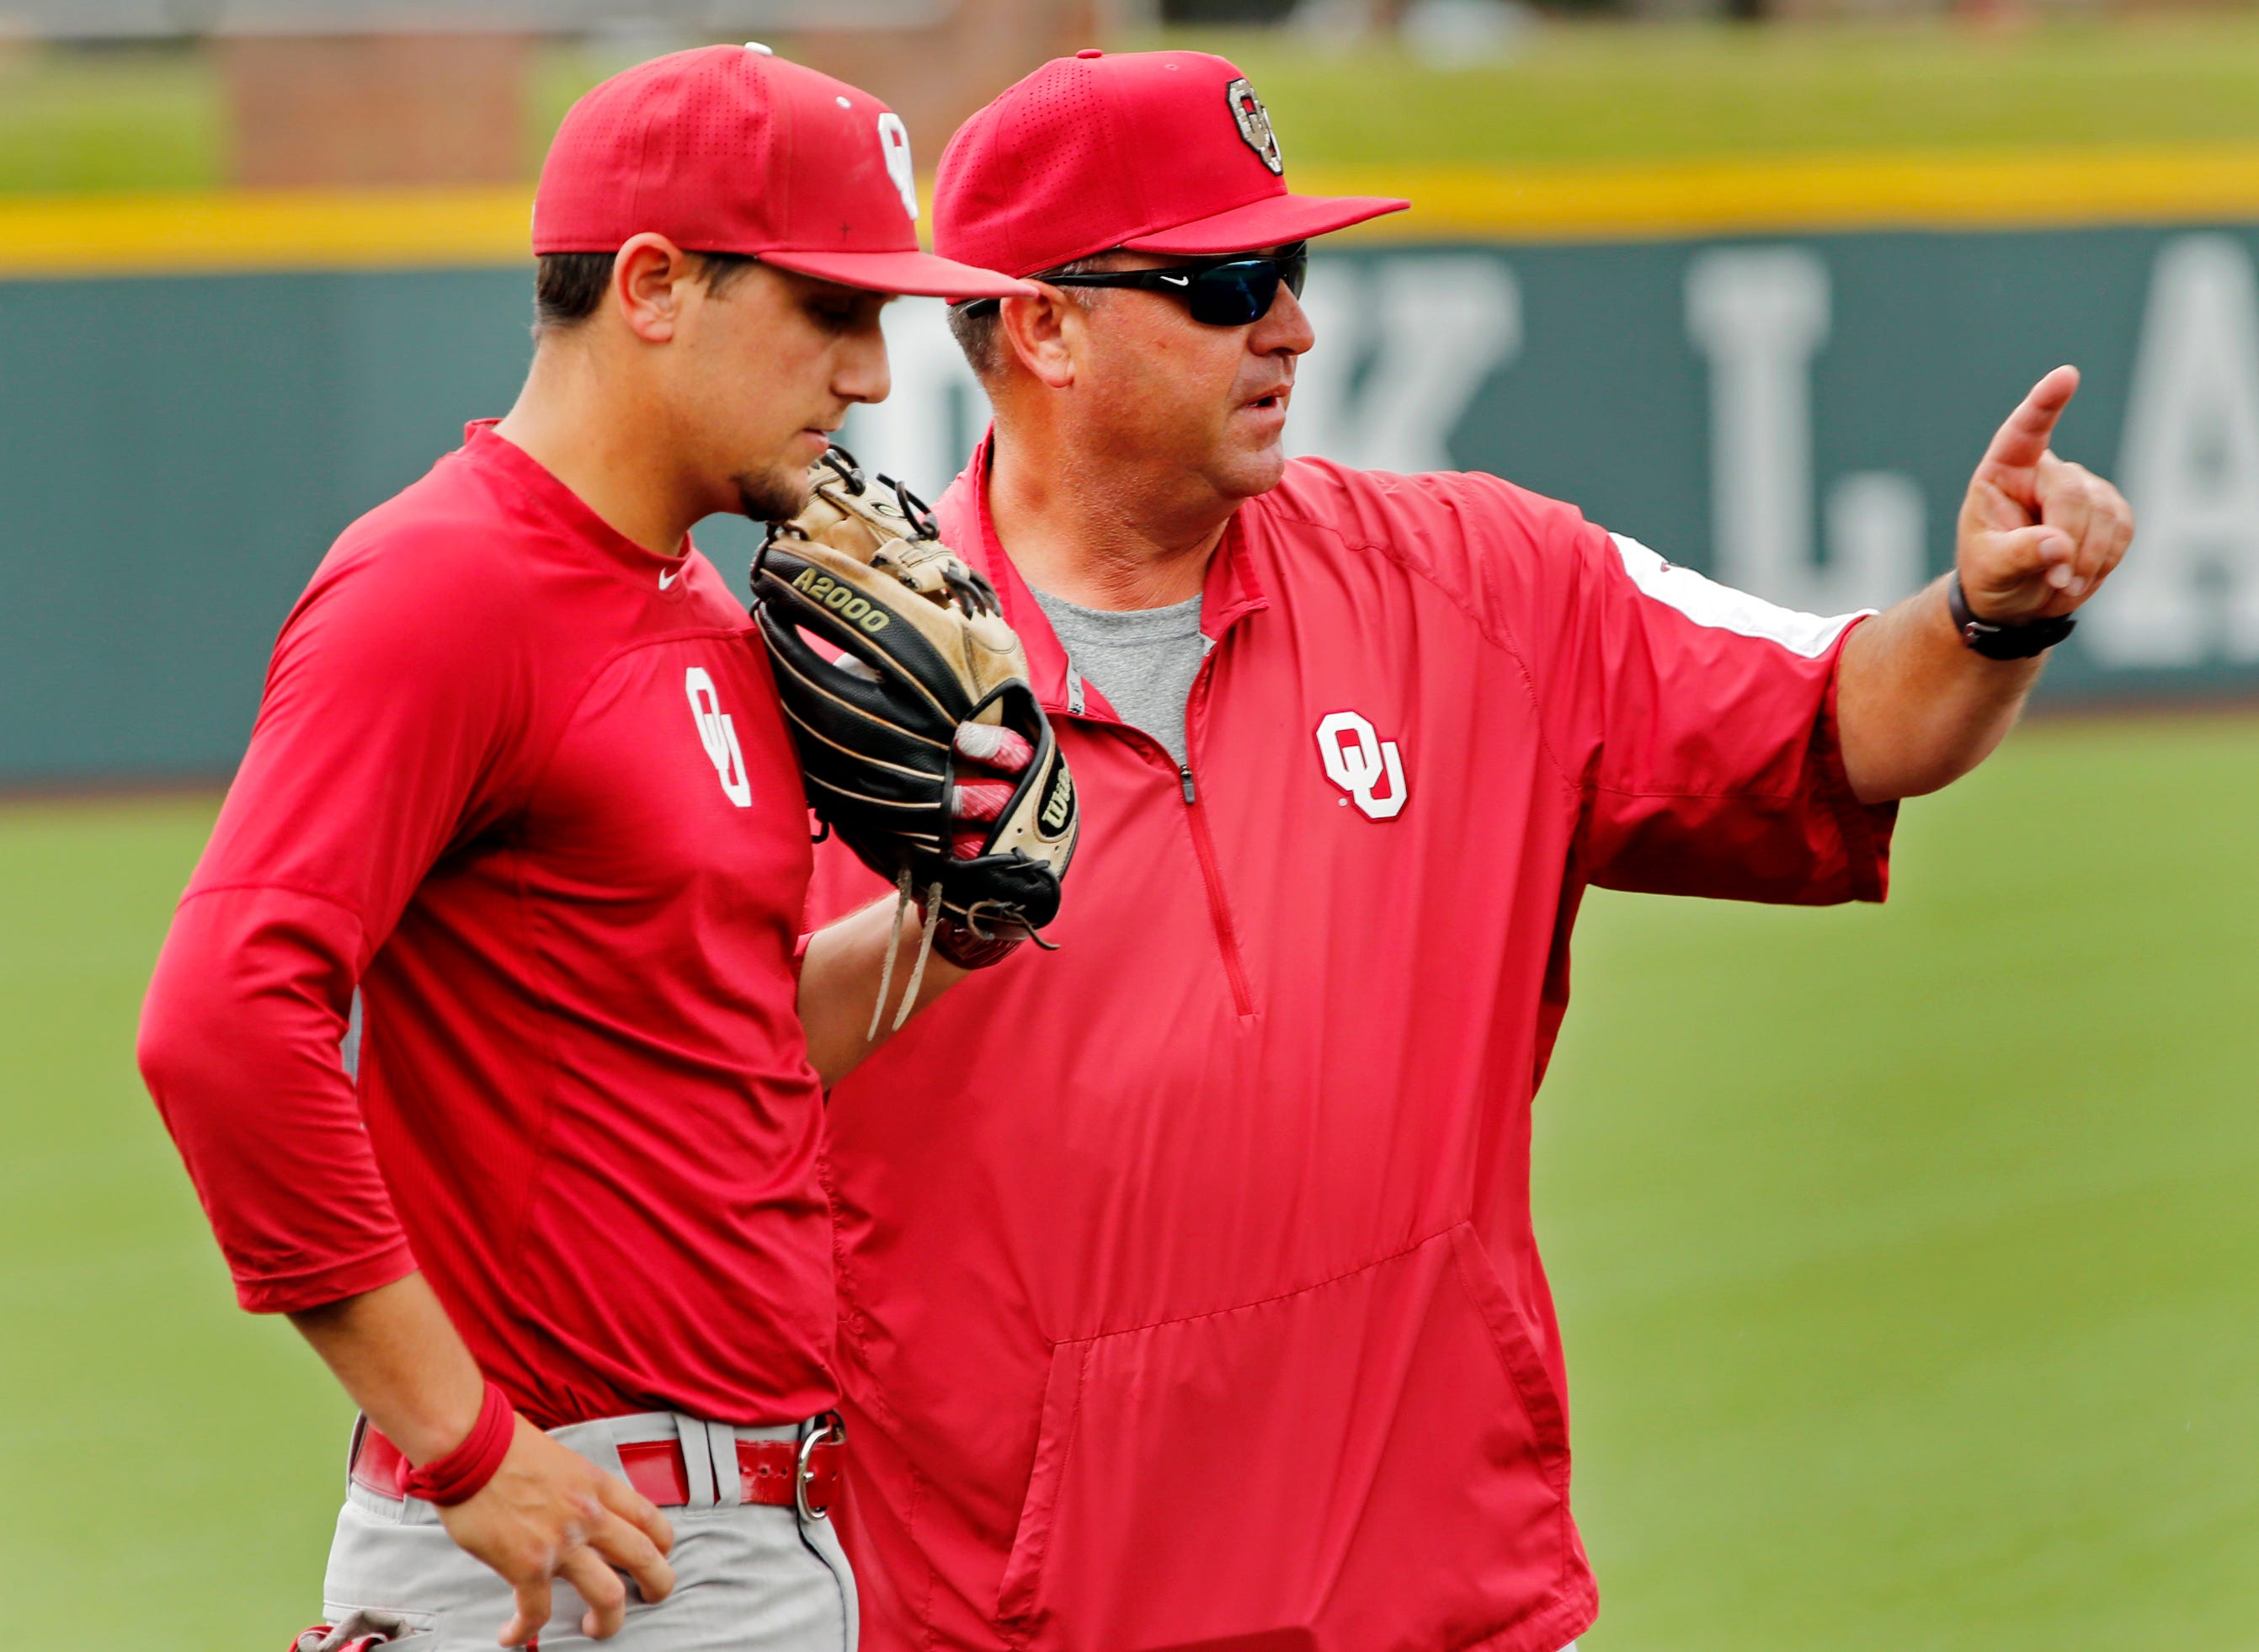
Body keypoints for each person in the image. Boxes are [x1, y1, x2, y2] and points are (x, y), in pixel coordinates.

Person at [802, 47, 2135, 1652]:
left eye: (1292, 269)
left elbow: (1851, 721)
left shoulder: (1480, 581)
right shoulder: (831, 687)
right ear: (1042, 323)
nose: (1291, 324)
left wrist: (1992, 609)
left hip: (1437, 1594)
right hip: (1024, 1616)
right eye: (1231, 279)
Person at [135, 45, 1035, 1652]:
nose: (876, 376)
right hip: (576, 1550)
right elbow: (220, 1025)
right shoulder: (440, 587)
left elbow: (728, 1030)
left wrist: (949, 921)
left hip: (745, 1533)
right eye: (834, 309)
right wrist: (464, 1445)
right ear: (654, 282)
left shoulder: (703, 607)